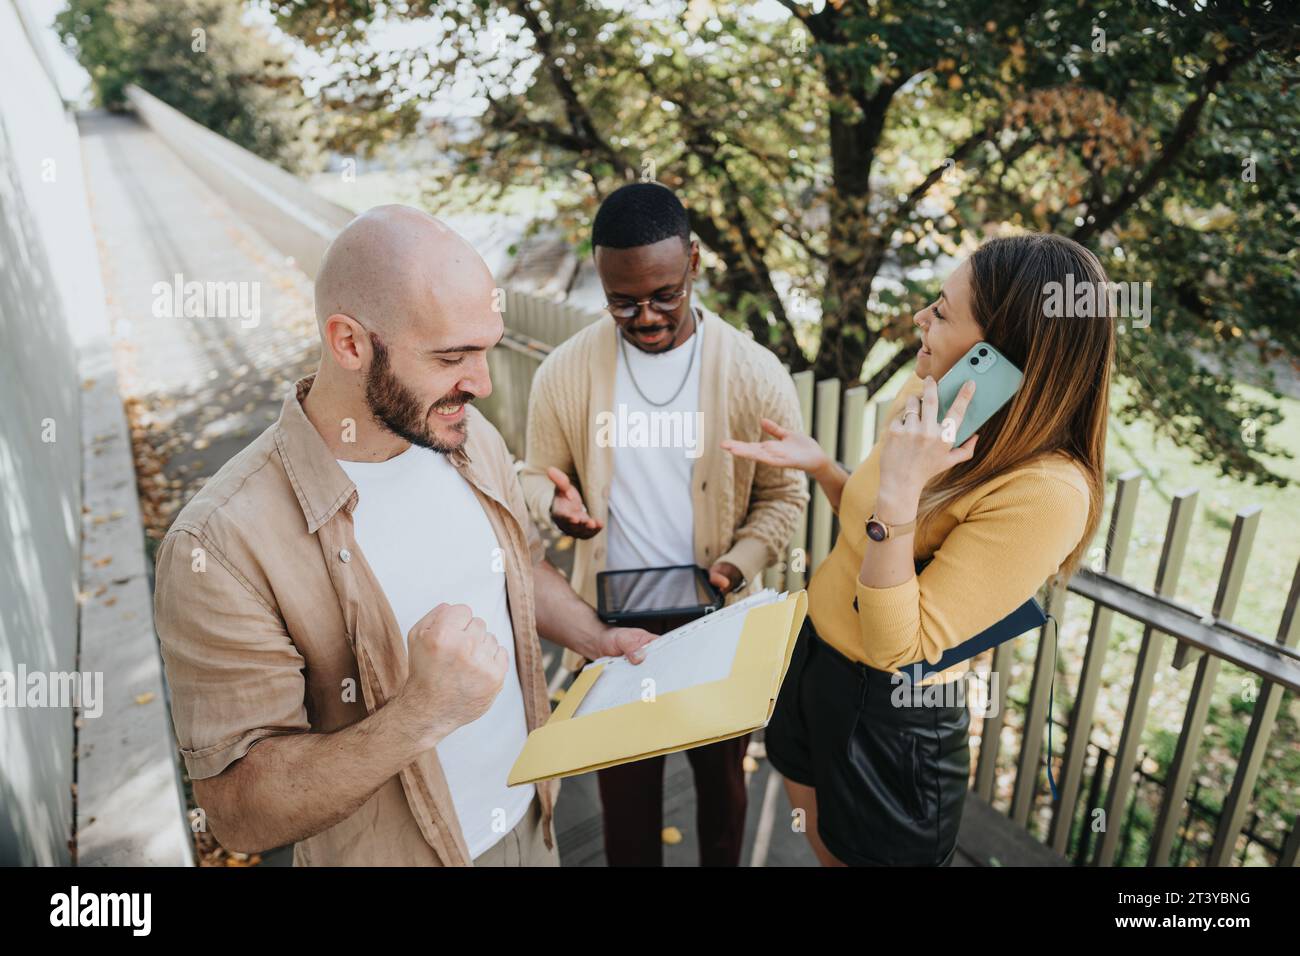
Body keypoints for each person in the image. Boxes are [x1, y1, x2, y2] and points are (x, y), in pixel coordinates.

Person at [152, 205, 657, 866]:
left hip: (534, 824)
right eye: (452, 357)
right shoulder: (219, 545)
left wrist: (596, 637)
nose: (479, 383)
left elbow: (520, 567)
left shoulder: (470, 436)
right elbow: (241, 815)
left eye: (485, 349)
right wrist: (421, 713)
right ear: (350, 343)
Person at [724, 232, 1111, 866]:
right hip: (813, 655)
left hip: (891, 716)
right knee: (818, 835)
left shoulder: (1046, 492)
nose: (920, 319)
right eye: (934, 299)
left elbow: (898, 646)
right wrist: (824, 468)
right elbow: (872, 534)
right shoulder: (930, 392)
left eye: (943, 312)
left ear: (1000, 351)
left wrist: (903, 489)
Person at [519, 182, 808, 866]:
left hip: (718, 618)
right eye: (622, 300)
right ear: (599, 277)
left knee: (722, 795)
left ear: (695, 263)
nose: (645, 315)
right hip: (615, 628)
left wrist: (736, 562)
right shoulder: (564, 375)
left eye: (664, 295)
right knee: (626, 809)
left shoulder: (755, 373)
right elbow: (535, 475)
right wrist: (554, 506)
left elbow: (785, 496)